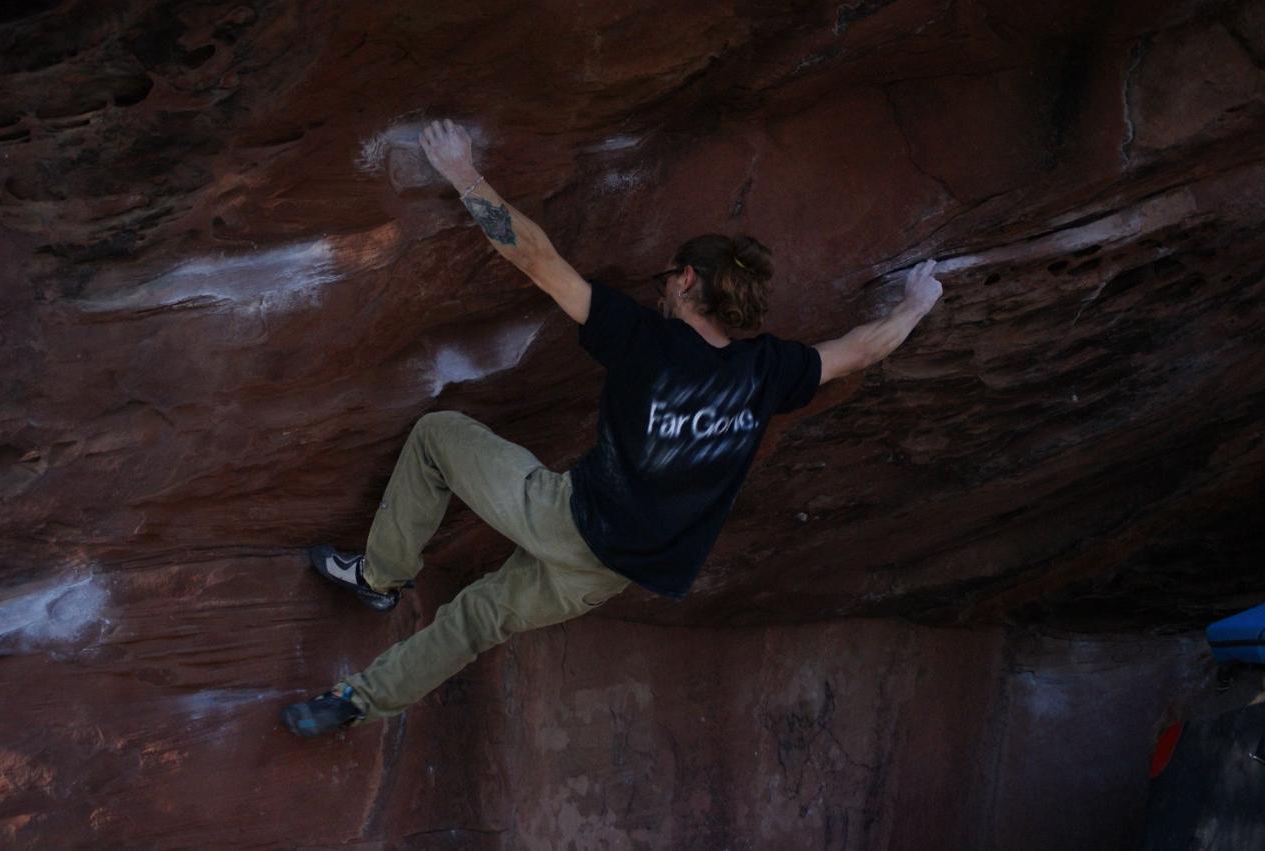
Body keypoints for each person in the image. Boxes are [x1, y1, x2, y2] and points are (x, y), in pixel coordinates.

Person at [280, 119, 943, 736]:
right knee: (476, 619)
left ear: (686, 280)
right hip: (609, 574)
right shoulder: (766, 371)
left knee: (436, 439)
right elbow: (863, 347)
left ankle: (379, 576)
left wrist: (463, 172)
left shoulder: (643, 339)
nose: (662, 289)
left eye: (667, 279)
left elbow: (538, 261)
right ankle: (356, 702)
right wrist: (917, 303)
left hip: (568, 521)